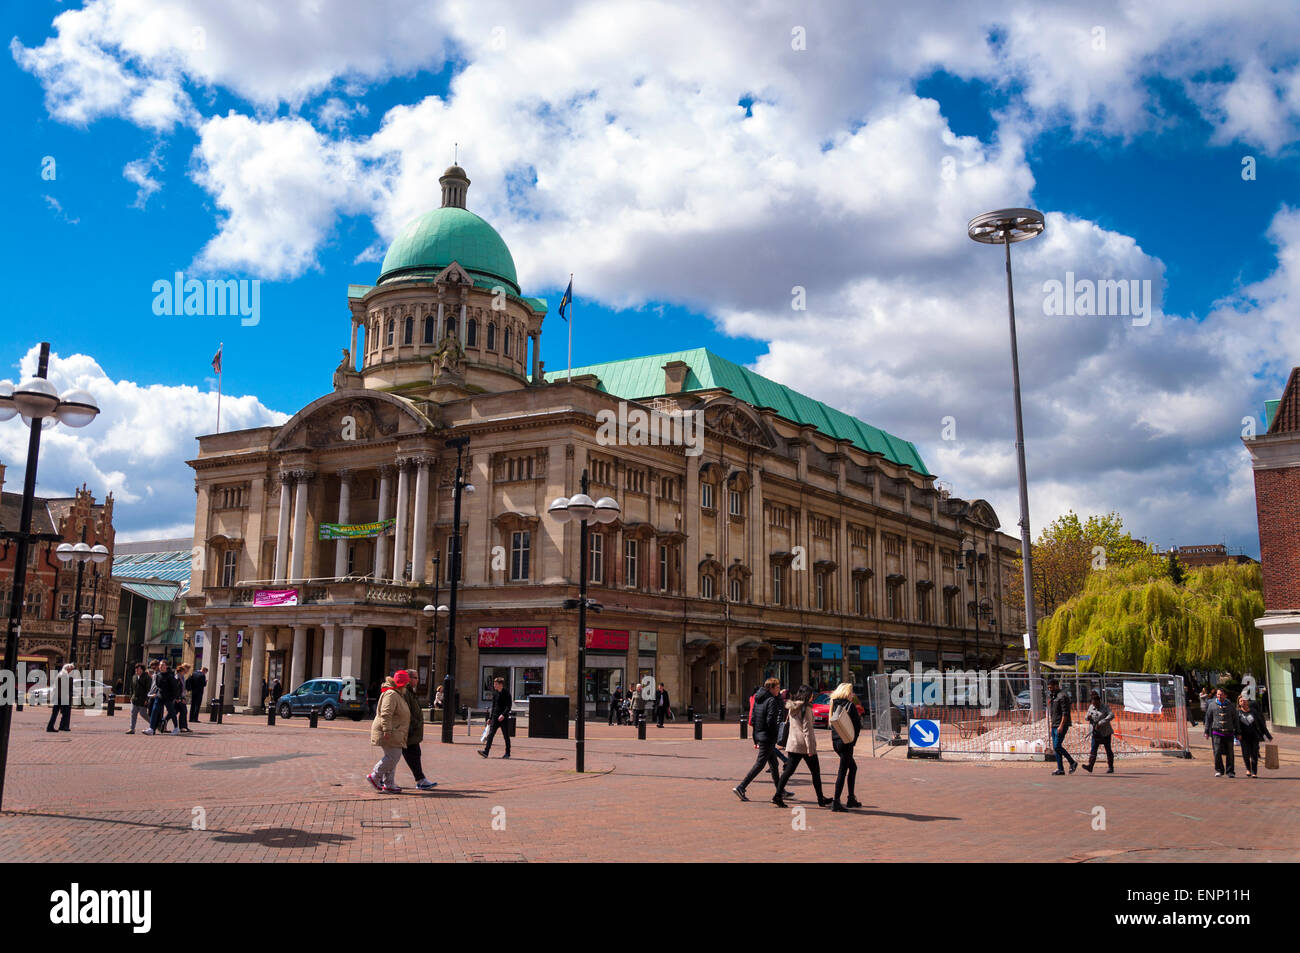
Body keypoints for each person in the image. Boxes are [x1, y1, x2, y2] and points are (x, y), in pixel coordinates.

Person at [774, 685, 831, 809]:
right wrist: (811, 749)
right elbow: (808, 730)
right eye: (811, 695)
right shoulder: (806, 708)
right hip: (804, 745)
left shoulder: (792, 707)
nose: (812, 697)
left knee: (788, 771)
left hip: (793, 743)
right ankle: (820, 798)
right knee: (815, 772)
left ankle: (777, 795)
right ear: (807, 695)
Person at [733, 678, 784, 802]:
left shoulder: (758, 699)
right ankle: (741, 786)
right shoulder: (771, 700)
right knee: (760, 764)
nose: (779, 690)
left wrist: (756, 737)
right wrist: (776, 733)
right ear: (771, 688)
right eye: (777, 687)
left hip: (761, 735)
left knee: (774, 764)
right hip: (768, 736)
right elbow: (771, 720)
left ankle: (779, 790)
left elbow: (754, 718)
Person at [367, 673, 410, 793]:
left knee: (393, 757)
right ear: (402, 684)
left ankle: (389, 783)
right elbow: (386, 713)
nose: (407, 686)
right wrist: (387, 730)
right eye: (406, 683)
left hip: (395, 731)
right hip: (390, 731)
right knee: (393, 756)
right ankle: (375, 776)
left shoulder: (397, 694)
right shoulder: (391, 694)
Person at [398, 670, 437, 790]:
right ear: (408, 678)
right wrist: (415, 724)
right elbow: (406, 711)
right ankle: (421, 780)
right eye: (415, 677)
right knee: (395, 756)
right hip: (409, 730)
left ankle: (421, 779)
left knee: (410, 755)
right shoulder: (406, 692)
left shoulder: (410, 691)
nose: (418, 680)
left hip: (411, 730)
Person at [828, 682, 862, 811]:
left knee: (852, 767)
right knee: (843, 771)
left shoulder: (833, 703)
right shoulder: (850, 706)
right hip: (846, 742)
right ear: (847, 693)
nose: (853, 695)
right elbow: (857, 726)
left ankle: (851, 798)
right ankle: (836, 801)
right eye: (851, 692)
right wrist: (853, 741)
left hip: (836, 741)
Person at [1204, 688, 1239, 777]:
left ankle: (1230, 771)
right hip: (1216, 732)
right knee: (1217, 751)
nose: (1219, 696)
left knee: (1230, 753)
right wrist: (1206, 731)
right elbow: (1208, 718)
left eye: (1221, 694)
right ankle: (1219, 770)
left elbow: (1235, 720)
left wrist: (1238, 732)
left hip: (1229, 732)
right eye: (1218, 694)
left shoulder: (1231, 706)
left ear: (1225, 695)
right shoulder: (1212, 705)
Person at [1236, 693, 1270, 778]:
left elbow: (1261, 724)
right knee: (1246, 754)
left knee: (1254, 754)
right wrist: (1237, 734)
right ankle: (1248, 769)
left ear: (1247, 701)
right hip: (1243, 737)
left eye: (1244, 700)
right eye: (1241, 701)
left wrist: (1267, 735)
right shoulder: (1237, 713)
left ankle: (1254, 772)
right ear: (1239, 703)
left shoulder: (1253, 712)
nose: (1243, 702)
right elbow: (1235, 726)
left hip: (1254, 736)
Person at [1048, 678, 1078, 775]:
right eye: (1048, 688)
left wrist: (1061, 726)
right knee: (1056, 747)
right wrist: (1051, 725)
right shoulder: (1053, 696)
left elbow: (1065, 713)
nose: (1050, 689)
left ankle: (1072, 762)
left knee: (1057, 746)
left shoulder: (1062, 696)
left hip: (1061, 725)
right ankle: (1060, 769)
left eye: (1051, 687)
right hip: (1054, 725)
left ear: (1056, 686)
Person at [1081, 689, 1115, 773]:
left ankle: (1111, 767)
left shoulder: (1105, 707)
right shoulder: (1091, 707)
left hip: (1105, 732)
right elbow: (1086, 716)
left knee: (1108, 749)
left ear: (1099, 701)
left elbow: (1111, 715)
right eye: (1093, 703)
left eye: (1096, 703)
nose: (1094, 705)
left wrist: (1101, 722)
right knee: (1093, 749)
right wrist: (1087, 717)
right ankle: (1090, 766)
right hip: (1095, 732)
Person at [478, 675, 512, 759]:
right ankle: (486, 752)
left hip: (503, 718)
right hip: (495, 717)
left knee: (506, 736)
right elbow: (493, 706)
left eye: (496, 684)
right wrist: (490, 718)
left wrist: (503, 715)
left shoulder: (507, 693)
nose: (494, 685)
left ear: (500, 684)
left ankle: (507, 753)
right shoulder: (495, 693)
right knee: (490, 735)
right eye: (494, 684)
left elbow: (509, 706)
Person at [144, 660, 180, 735]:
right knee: (154, 710)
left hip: (168, 697)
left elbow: (174, 688)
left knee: (172, 712)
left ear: (166, 666)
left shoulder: (170, 676)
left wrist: (174, 697)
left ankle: (176, 728)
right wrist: (154, 693)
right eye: (160, 665)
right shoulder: (158, 675)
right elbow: (157, 686)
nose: (160, 666)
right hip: (160, 696)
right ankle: (151, 728)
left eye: (162, 665)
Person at [46, 663, 75, 732]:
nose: (71, 671)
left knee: (56, 712)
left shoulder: (61, 673)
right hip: (60, 697)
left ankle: (53, 726)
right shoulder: (64, 675)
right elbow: (64, 688)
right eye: (71, 669)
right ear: (68, 668)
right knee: (58, 712)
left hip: (58, 696)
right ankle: (52, 727)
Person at [126, 663, 151, 734]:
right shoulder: (134, 677)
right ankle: (132, 728)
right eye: (136, 668)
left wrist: (147, 699)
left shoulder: (147, 677)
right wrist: (131, 696)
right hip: (135, 699)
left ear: (142, 670)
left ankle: (153, 724)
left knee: (143, 714)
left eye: (138, 669)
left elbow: (148, 689)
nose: (136, 670)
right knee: (133, 713)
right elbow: (131, 687)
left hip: (143, 699)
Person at [173, 663, 193, 733]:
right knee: (182, 711)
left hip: (181, 697)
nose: (187, 671)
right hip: (179, 698)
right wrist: (180, 698)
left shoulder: (182, 676)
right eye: (187, 669)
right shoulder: (178, 677)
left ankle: (183, 727)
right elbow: (178, 688)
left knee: (176, 711)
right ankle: (183, 727)